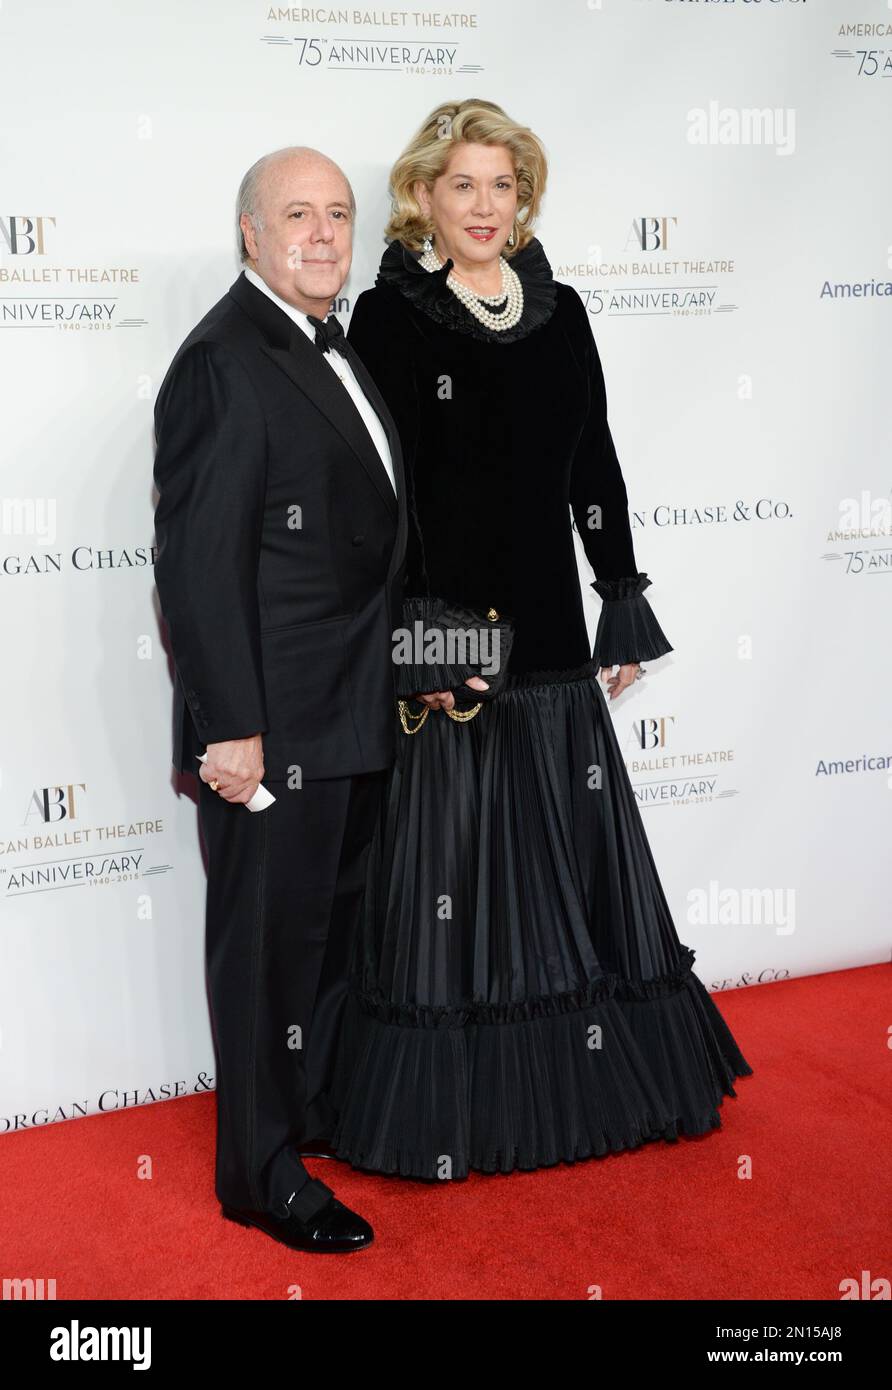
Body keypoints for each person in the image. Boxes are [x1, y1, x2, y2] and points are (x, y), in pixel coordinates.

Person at [329, 100, 753, 1179]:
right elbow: (385, 500)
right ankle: (465, 1114)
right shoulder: (391, 319)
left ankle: (588, 1091)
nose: (482, 205)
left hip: (557, 644)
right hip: (456, 656)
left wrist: (618, 595)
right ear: (423, 193)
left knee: (568, 879)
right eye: (461, 184)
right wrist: (418, 649)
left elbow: (591, 464)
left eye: (501, 186)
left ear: (524, 201)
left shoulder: (560, 313)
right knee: (454, 888)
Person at [152, 146, 407, 1249]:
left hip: (351, 714)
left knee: (324, 942)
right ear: (249, 232)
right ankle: (259, 1177)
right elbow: (196, 567)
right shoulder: (224, 358)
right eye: (295, 214)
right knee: (263, 952)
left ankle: (304, 1121)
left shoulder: (327, 341)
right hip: (270, 731)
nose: (321, 233)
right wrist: (232, 731)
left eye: (338, 214)